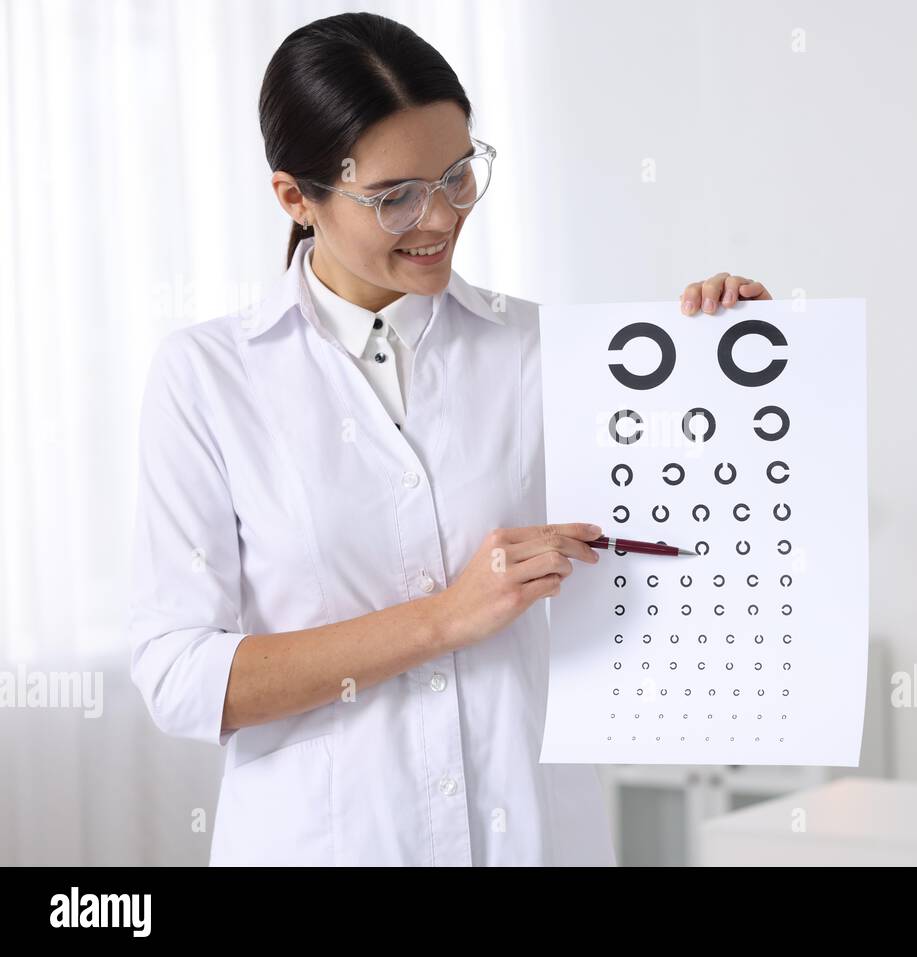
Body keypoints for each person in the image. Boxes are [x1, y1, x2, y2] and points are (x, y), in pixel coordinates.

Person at [127, 10, 771, 866]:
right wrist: (443, 618)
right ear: (295, 196)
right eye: (395, 196)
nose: (439, 219)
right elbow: (180, 679)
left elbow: (689, 541)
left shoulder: (549, 353)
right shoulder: (209, 377)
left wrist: (726, 359)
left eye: (458, 176)